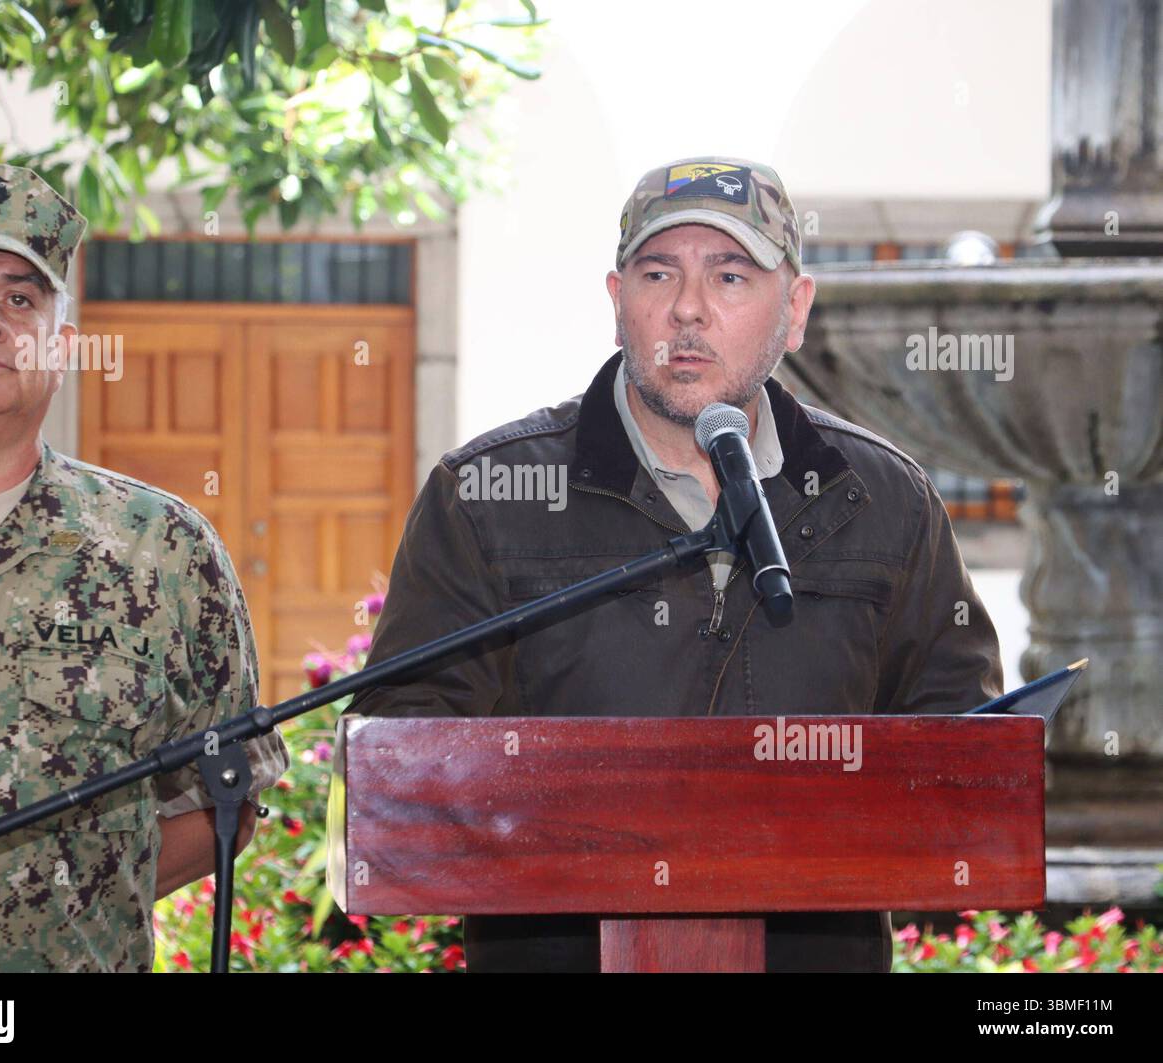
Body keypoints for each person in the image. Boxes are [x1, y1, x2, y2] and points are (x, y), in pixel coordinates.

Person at [346, 156, 1004, 972]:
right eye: (659, 273)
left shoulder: (884, 498)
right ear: (619, 303)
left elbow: (966, 746)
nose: (688, 309)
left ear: (794, 309)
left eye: (731, 276)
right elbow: (402, 748)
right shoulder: (488, 495)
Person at [0, 160, 289, 971]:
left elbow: (228, 793)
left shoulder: (162, 549)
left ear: (59, 346)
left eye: (20, 298)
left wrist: (70, 899)